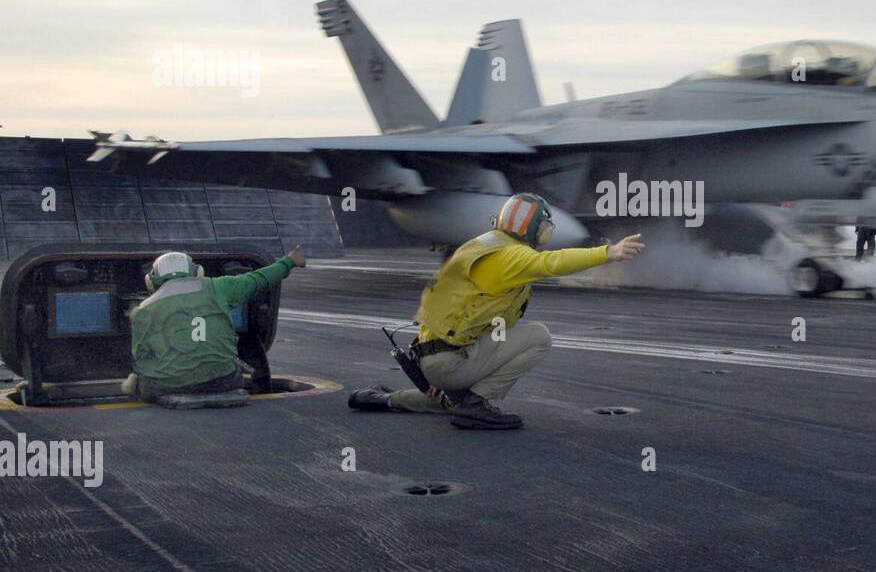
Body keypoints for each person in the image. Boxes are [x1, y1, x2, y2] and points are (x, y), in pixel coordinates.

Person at [350, 193, 645, 430]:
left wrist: (430, 379)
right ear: (532, 228)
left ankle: (385, 400)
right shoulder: (511, 256)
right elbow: (550, 263)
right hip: (448, 362)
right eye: (542, 226)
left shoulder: (483, 245)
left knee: (451, 399)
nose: (545, 232)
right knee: (538, 337)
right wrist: (608, 252)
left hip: (435, 356)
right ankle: (476, 405)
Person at [124, 246, 306, 403]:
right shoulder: (219, 286)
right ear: (197, 272)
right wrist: (289, 261)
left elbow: (141, 359)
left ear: (151, 281)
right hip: (223, 381)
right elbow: (260, 279)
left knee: (139, 382)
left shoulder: (142, 311)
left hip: (169, 386)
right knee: (235, 368)